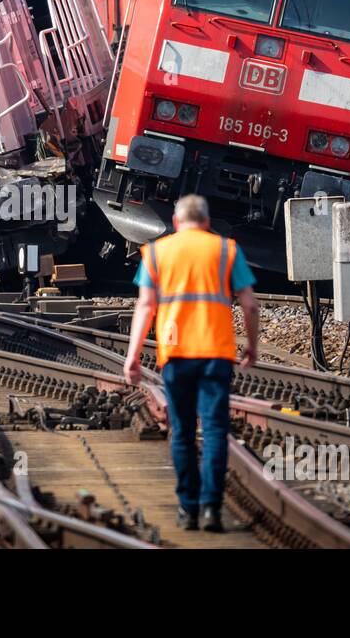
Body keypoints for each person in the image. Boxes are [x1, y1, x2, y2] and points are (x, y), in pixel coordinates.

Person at [122, 194, 260, 533]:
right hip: (216, 354)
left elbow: (145, 307)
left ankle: (189, 509)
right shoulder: (227, 250)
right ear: (207, 222)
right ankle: (212, 508)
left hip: (176, 354)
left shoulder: (156, 252)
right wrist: (252, 347)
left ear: (175, 220)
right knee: (215, 430)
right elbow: (250, 305)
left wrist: (133, 355)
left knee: (181, 431)